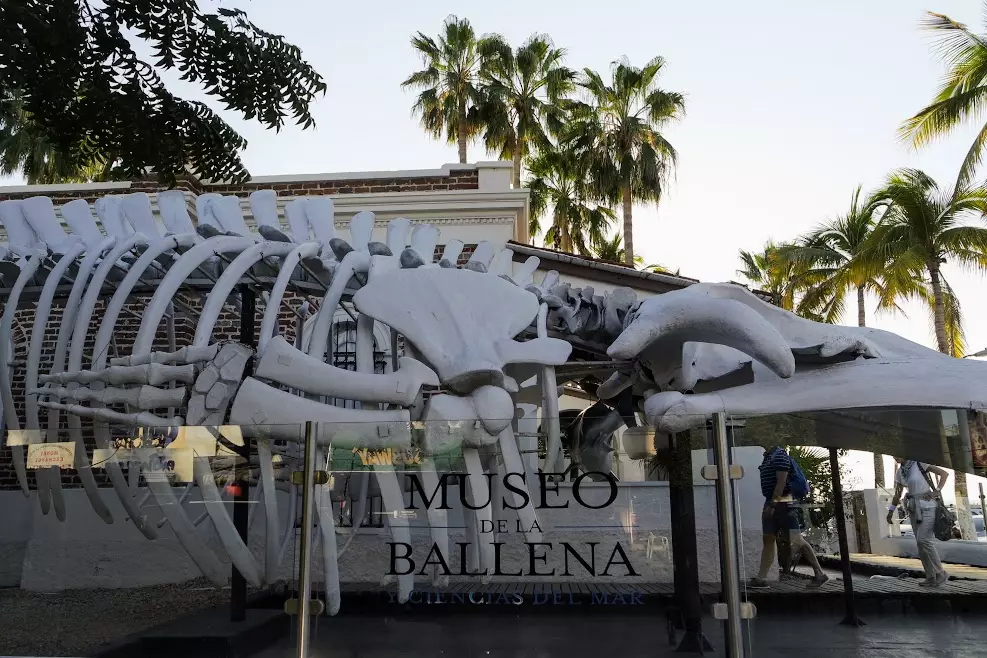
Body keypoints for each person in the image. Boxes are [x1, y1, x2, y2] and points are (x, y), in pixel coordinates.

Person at [749, 446, 829, 588]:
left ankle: (819, 573)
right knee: (768, 539)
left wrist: (773, 505)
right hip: (771, 502)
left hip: (784, 503)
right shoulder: (768, 457)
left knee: (796, 540)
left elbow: (781, 482)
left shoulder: (779, 456)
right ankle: (761, 578)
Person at [887, 457, 949, 586]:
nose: (895, 457)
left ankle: (941, 572)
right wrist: (891, 511)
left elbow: (944, 474)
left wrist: (936, 492)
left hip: (928, 507)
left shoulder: (919, 463)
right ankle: (930, 577)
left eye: (897, 453)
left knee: (923, 540)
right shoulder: (900, 472)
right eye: (893, 455)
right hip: (913, 509)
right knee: (920, 544)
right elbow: (897, 494)